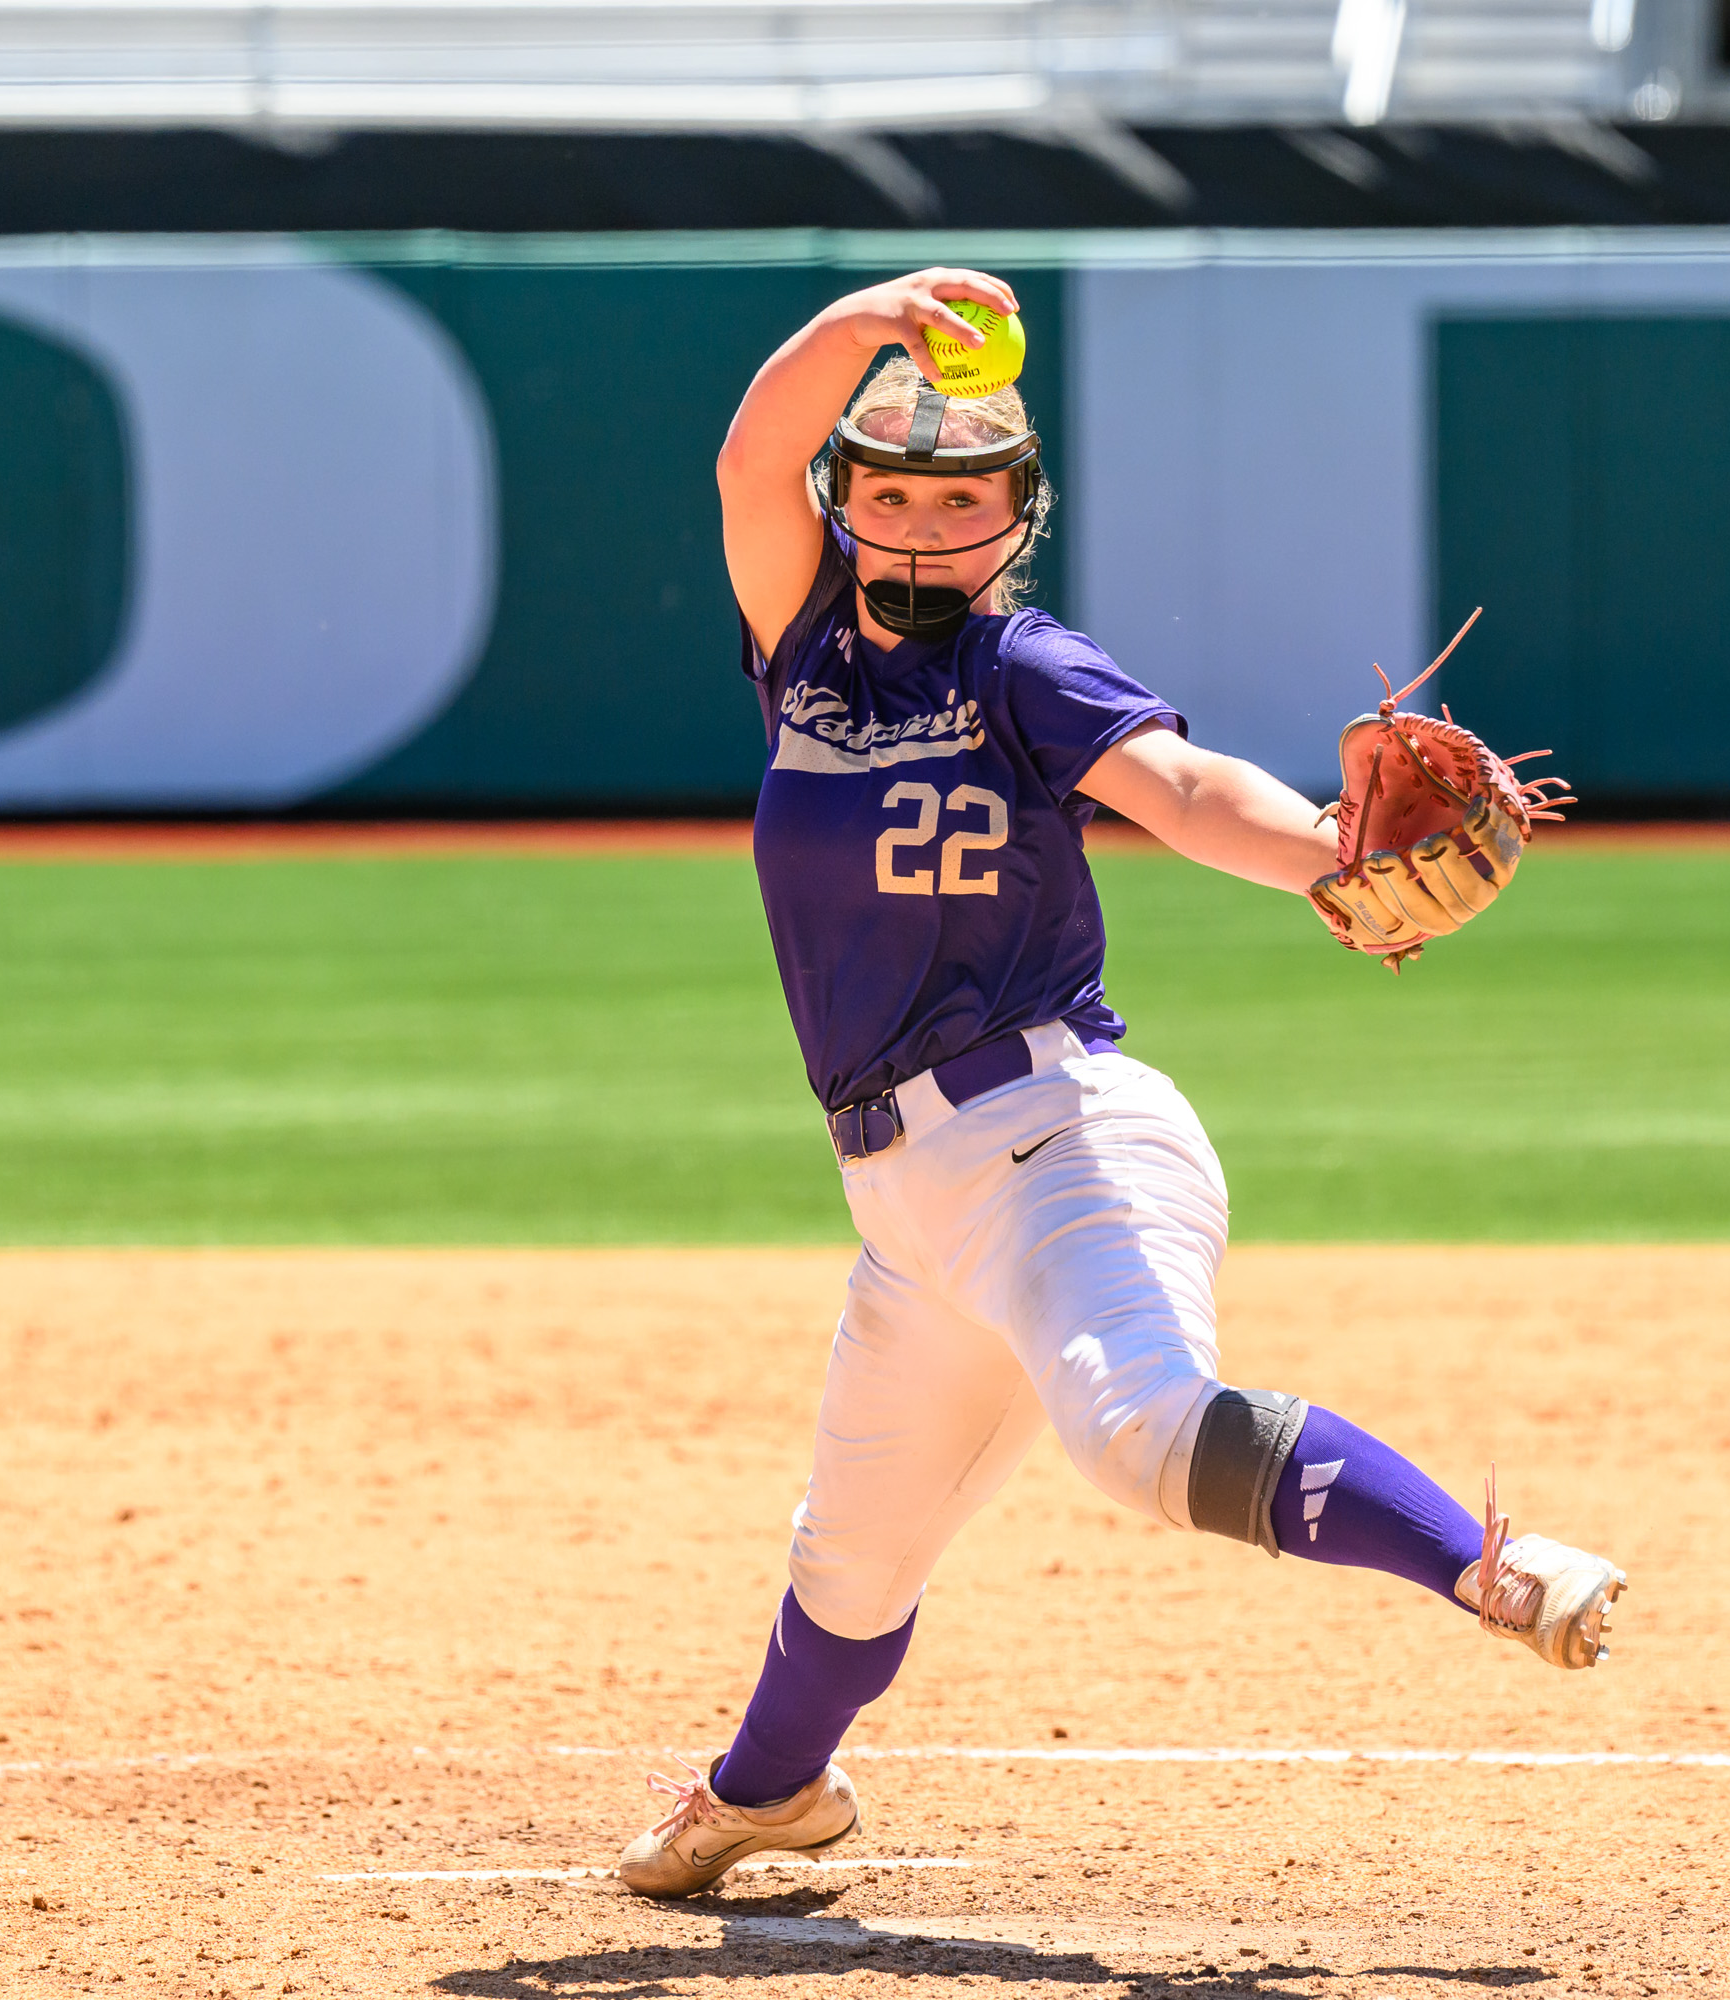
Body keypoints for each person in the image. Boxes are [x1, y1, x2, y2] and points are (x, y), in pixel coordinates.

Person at [617, 268, 1628, 1896]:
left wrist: (1321, 852)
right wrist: (870, 316)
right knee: (853, 1560)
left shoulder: (1023, 667)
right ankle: (764, 1793)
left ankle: (1488, 1570)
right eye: (887, 491)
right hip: (910, 1208)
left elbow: (1176, 784)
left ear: (1015, 519)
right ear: (848, 508)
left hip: (1057, 1146)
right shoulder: (801, 654)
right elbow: (750, 461)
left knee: (1142, 1433)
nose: (922, 525)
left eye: (961, 499)